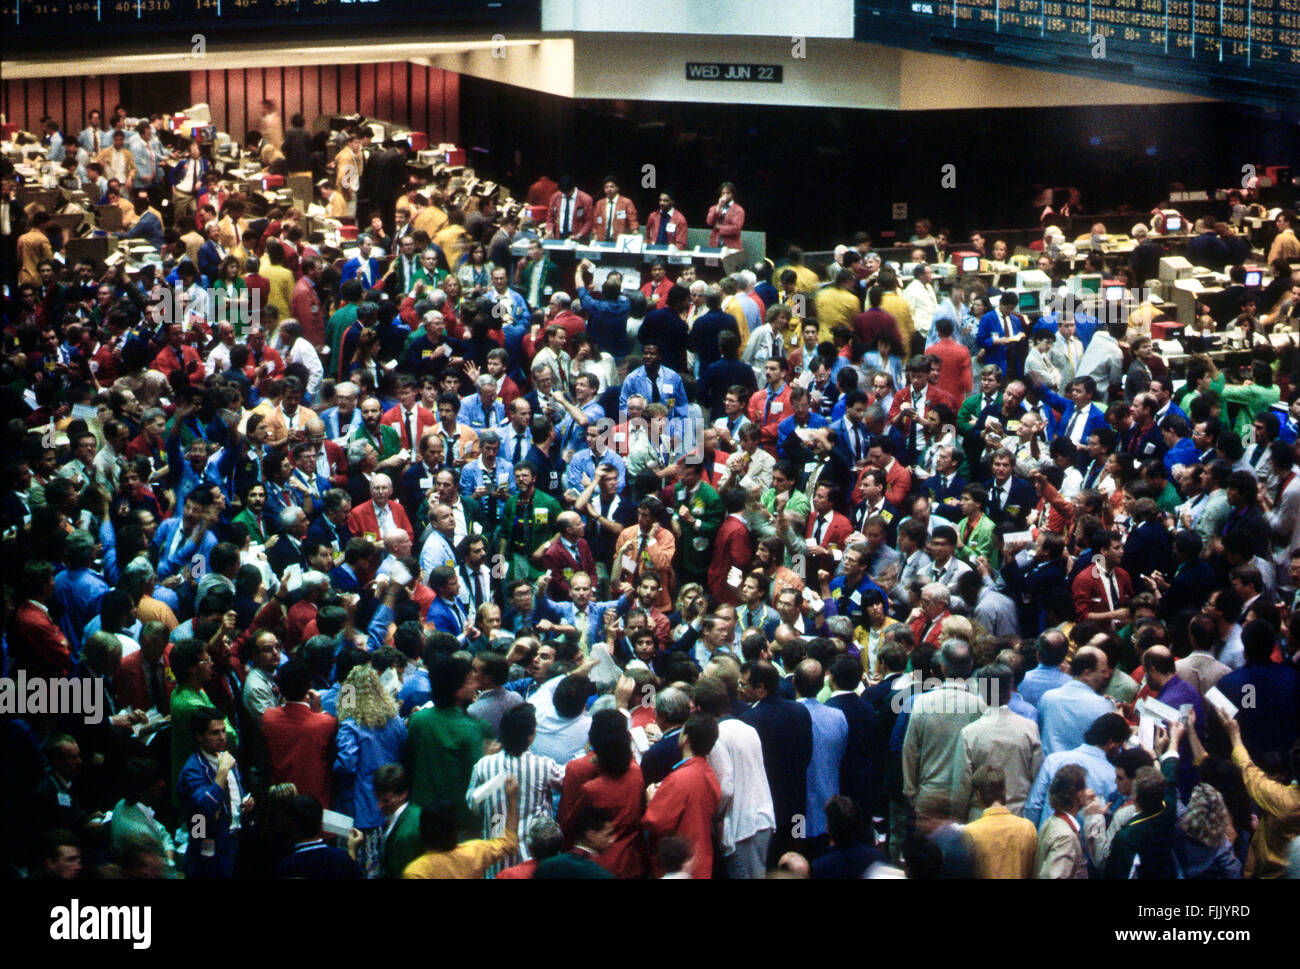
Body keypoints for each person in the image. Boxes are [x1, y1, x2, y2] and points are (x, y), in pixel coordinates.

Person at [643, 712, 723, 878]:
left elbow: (655, 822)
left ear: (685, 738)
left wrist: (652, 800)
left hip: (679, 864)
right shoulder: (709, 774)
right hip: (702, 857)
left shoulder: (680, 778)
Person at [403, 775, 520, 879]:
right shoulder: (476, 852)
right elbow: (509, 842)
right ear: (455, 830)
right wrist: (512, 800)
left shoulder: (416, 872)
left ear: (423, 831)